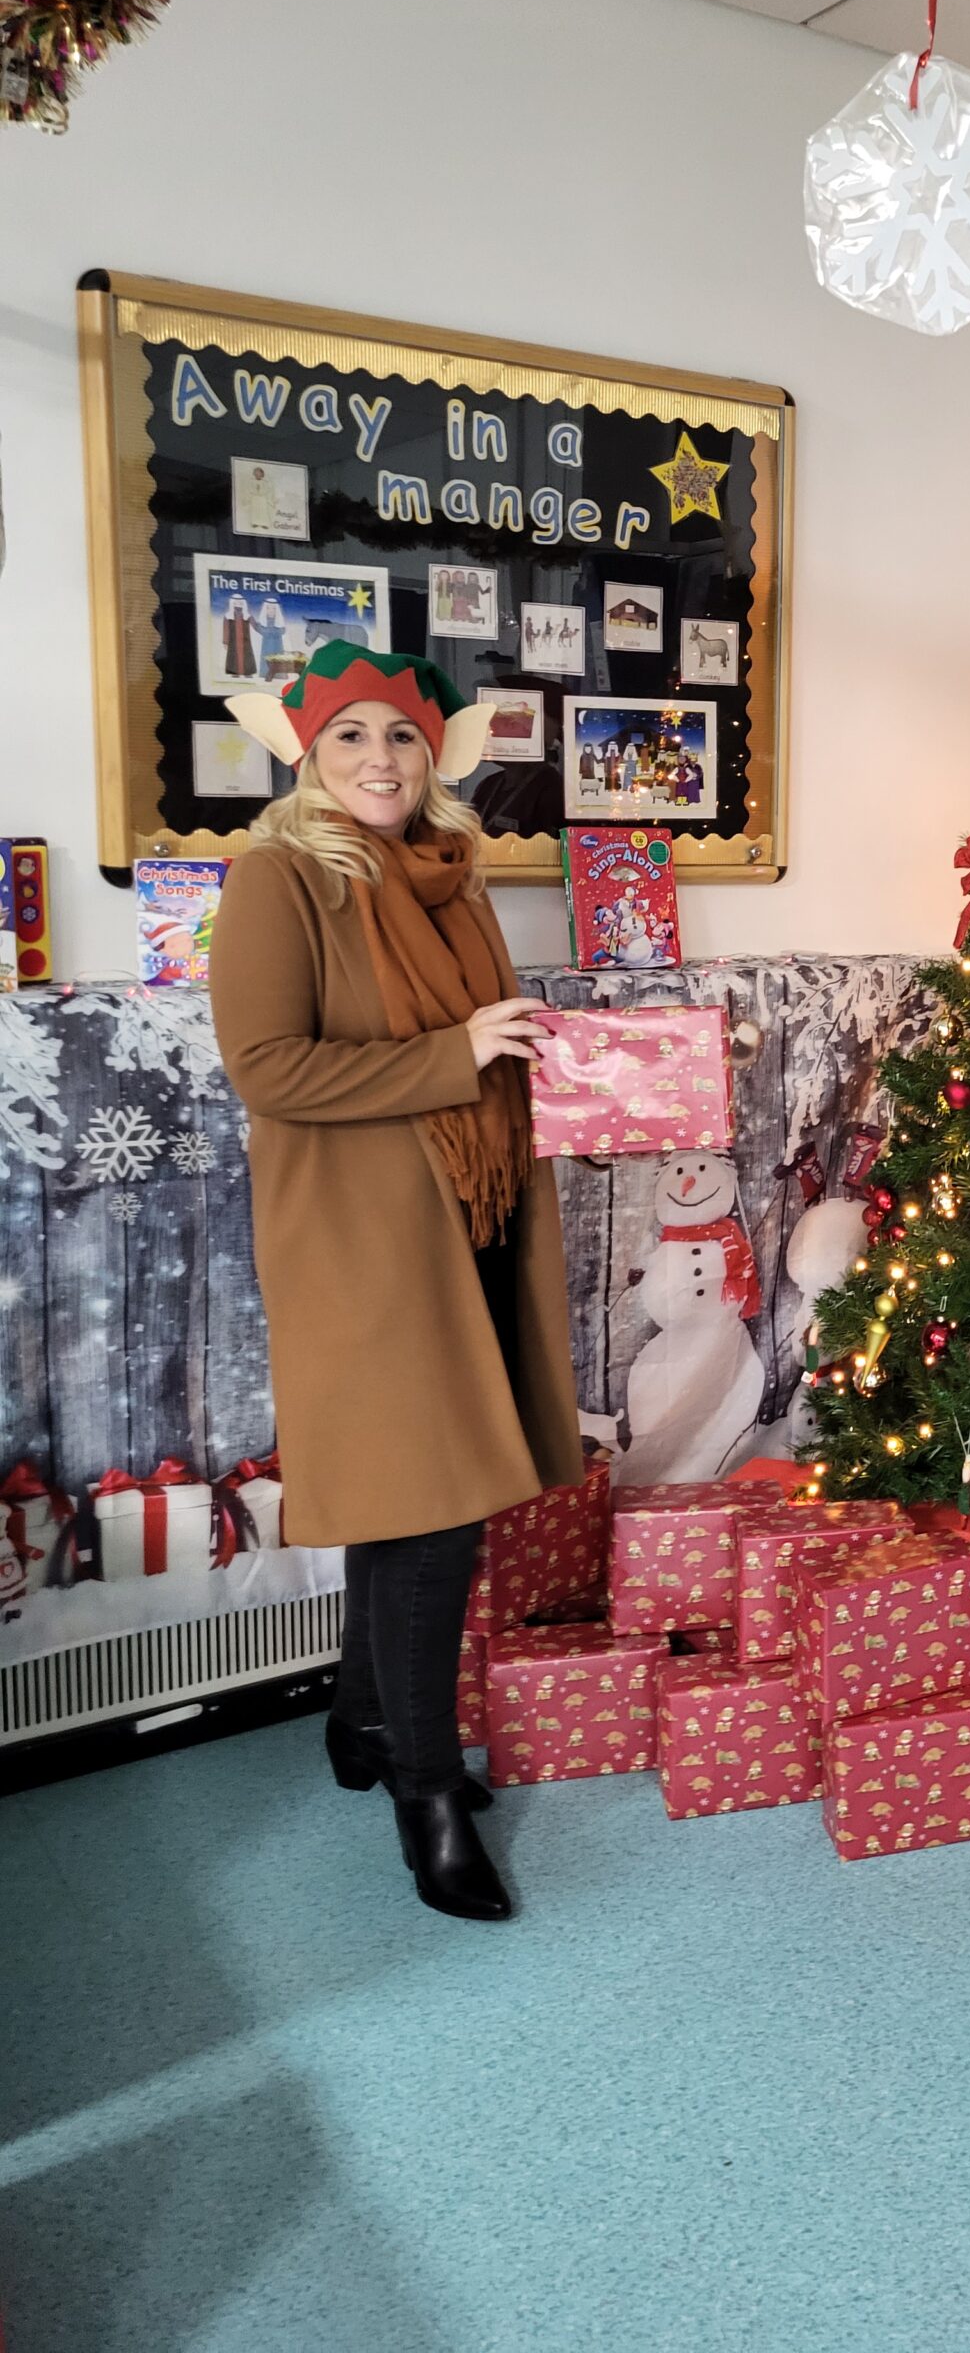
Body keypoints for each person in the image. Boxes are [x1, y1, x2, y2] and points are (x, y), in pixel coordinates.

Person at [209, 641, 579, 1924]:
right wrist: (453, 1052)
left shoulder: (455, 877)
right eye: (353, 735)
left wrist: (556, 1060)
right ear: (311, 753)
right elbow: (271, 1070)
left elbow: (491, 1046)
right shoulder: (280, 877)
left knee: (421, 1496)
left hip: (465, 1215)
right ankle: (426, 1794)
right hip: (361, 1243)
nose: (380, 759)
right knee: (427, 1507)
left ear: (439, 754)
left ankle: (359, 1719)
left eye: (404, 737)